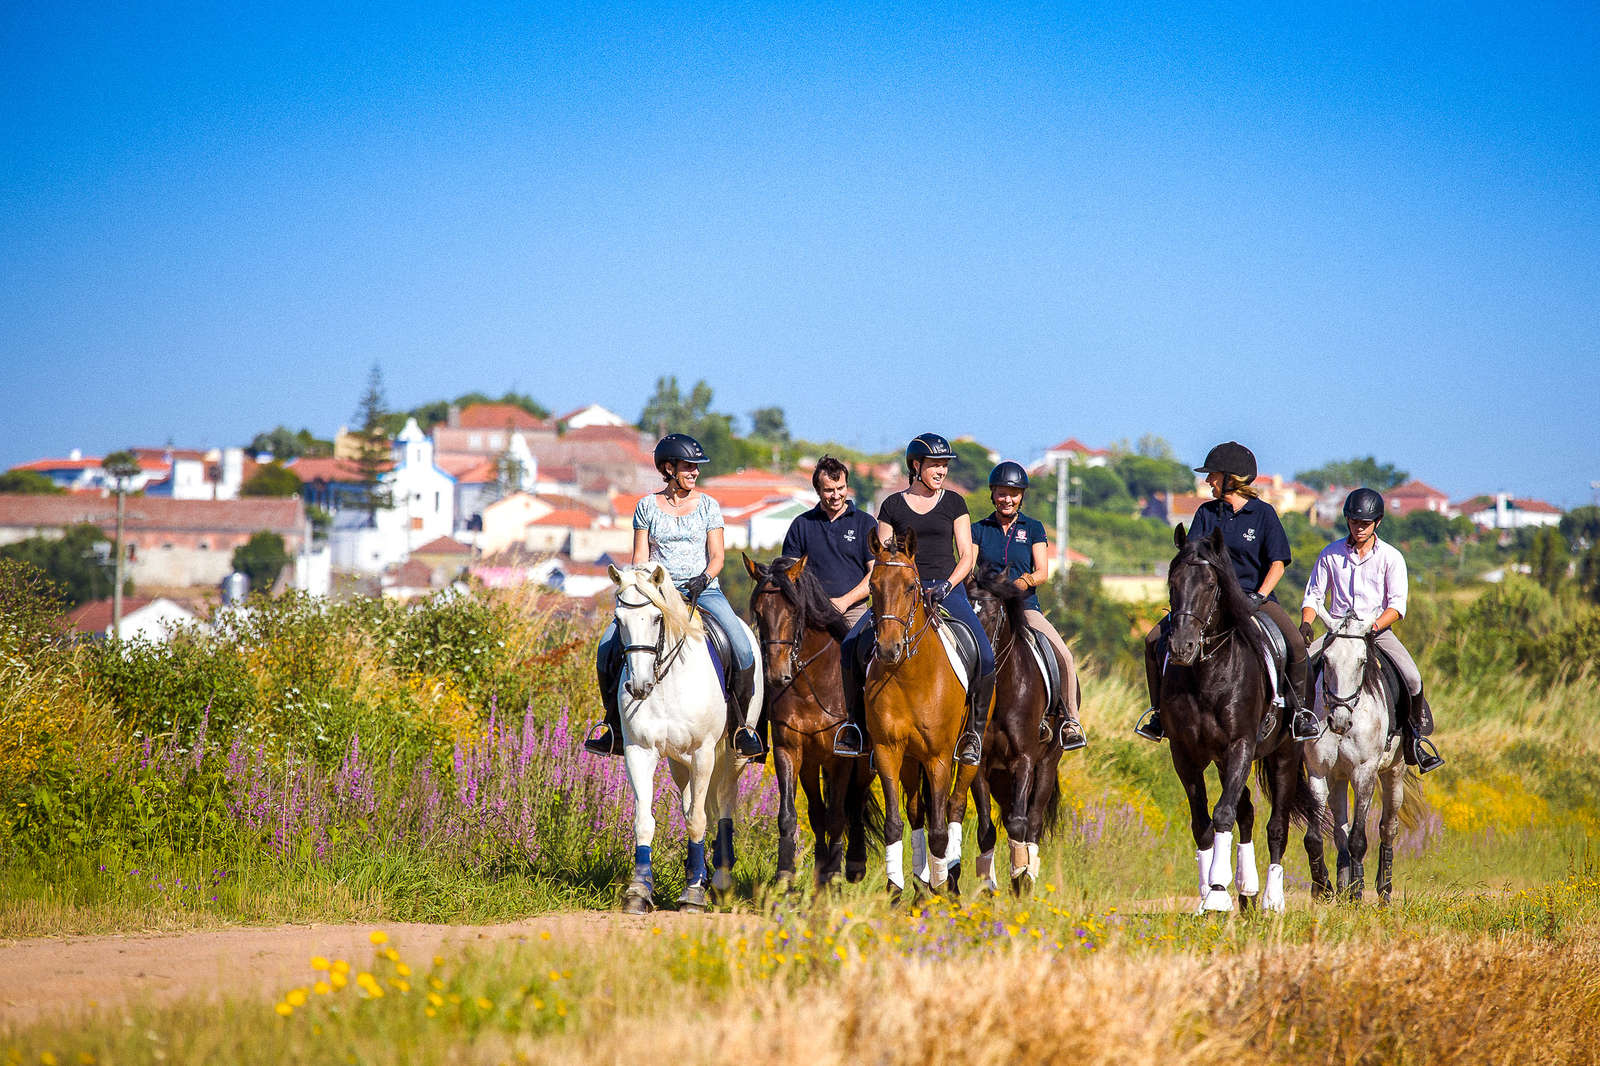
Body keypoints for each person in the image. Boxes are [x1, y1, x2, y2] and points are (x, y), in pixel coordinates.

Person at [585, 433, 764, 759]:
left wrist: (703, 579)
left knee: (741, 645)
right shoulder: (646, 507)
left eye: (696, 467)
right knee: (607, 646)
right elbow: (640, 556)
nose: (695, 472)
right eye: (688, 467)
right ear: (668, 468)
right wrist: (644, 585)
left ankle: (741, 728)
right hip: (657, 593)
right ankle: (612, 727)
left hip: (703, 590)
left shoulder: (709, 506)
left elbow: (718, 557)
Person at [1134, 441, 1314, 743]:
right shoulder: (1206, 513)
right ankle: (1158, 714)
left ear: (1232, 478)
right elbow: (1191, 559)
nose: (1208, 481)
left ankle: (1299, 715)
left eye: (1213, 475)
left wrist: (1258, 596)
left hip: (1255, 598)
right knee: (1153, 640)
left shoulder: (1263, 514)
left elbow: (1278, 563)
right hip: (1209, 601)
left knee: (1295, 644)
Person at [835, 432, 996, 766]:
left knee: (984, 655)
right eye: (935, 464)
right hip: (899, 594)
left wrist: (948, 586)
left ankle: (973, 736)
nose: (941, 470)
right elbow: (883, 557)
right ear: (916, 465)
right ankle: (856, 728)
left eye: (944, 465)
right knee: (851, 645)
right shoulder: (892, 506)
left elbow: (966, 555)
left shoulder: (954, 503)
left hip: (945, 588)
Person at [1301, 487, 1444, 773]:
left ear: (1377, 522)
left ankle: (1414, 739)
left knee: (1413, 678)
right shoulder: (1330, 554)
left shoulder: (1391, 557)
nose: (1358, 528)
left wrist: (1373, 626)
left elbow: (1397, 606)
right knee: (1298, 667)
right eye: (1354, 522)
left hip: (1377, 631)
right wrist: (1306, 623)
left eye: (1364, 523)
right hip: (1337, 634)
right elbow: (1313, 596)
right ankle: (1296, 728)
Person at [971, 461, 1087, 751]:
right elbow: (971, 568)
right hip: (985, 608)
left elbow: (1042, 572)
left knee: (1064, 655)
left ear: (1021, 496)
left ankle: (1070, 719)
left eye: (1013, 493)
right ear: (992, 494)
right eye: (1001, 493)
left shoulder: (1033, 528)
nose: (1006, 499)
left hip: (1024, 607)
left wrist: (1021, 583)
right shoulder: (978, 530)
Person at [780, 454, 878, 638]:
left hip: (853, 611)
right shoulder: (801, 524)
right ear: (818, 490)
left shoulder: (866, 523)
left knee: (863, 654)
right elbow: (789, 575)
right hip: (809, 611)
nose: (836, 495)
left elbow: (876, 574)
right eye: (829, 490)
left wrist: (843, 602)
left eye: (841, 488)